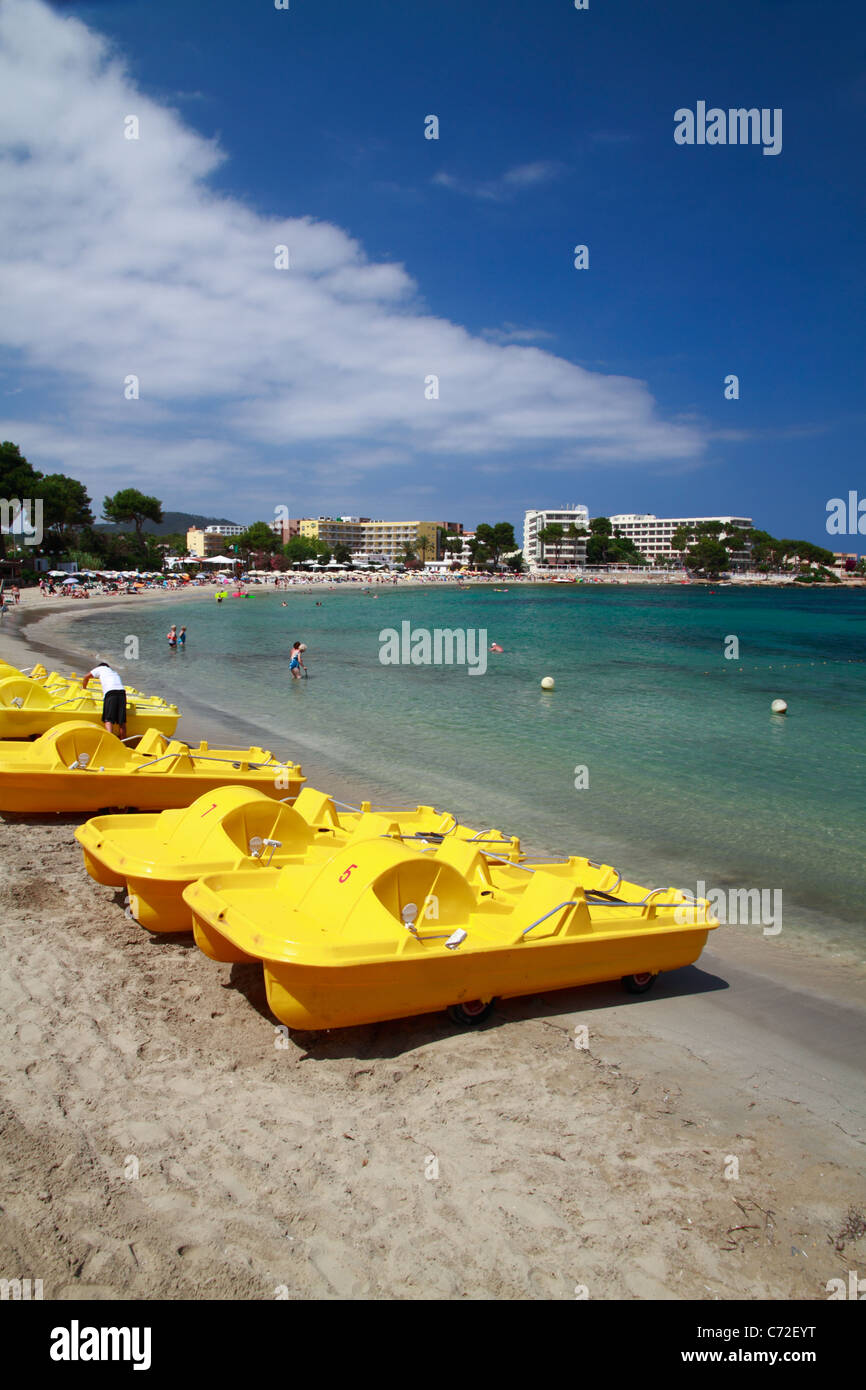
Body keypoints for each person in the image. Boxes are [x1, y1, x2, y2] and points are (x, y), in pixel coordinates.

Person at [82, 661, 127, 738]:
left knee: (108, 720)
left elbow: (86, 677)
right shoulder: (114, 672)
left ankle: (109, 740)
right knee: (121, 722)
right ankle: (123, 743)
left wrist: (84, 689)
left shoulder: (100, 668)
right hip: (122, 694)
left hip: (111, 693)